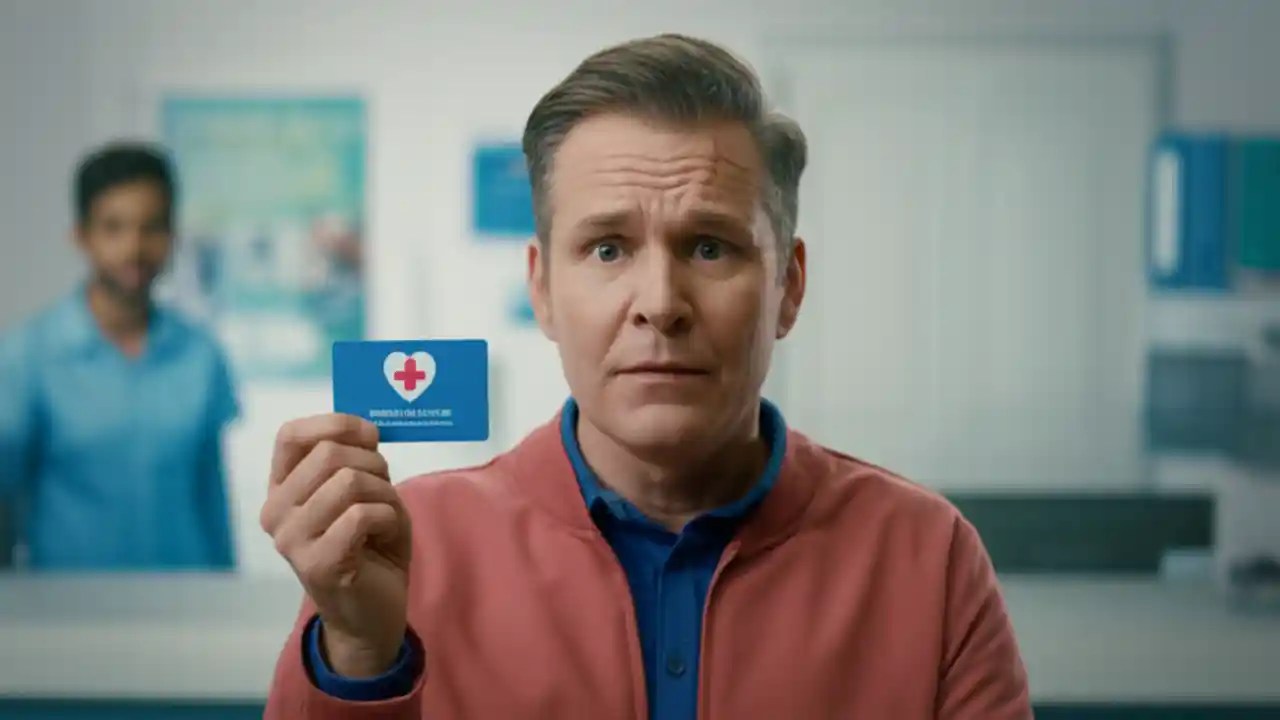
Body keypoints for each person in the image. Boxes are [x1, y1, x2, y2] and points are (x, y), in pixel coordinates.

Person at [262, 34, 1032, 719]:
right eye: (607, 249)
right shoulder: (401, 548)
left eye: (709, 247)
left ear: (789, 287)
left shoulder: (929, 559)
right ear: (542, 291)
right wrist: (362, 655)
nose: (660, 306)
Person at [0, 141, 239, 571]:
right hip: (68, 617)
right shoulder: (26, 356)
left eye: (152, 226)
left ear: (172, 235)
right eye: (114, 227)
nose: (134, 246)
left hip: (190, 607)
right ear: (81, 235)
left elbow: (210, 493)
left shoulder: (201, 353)